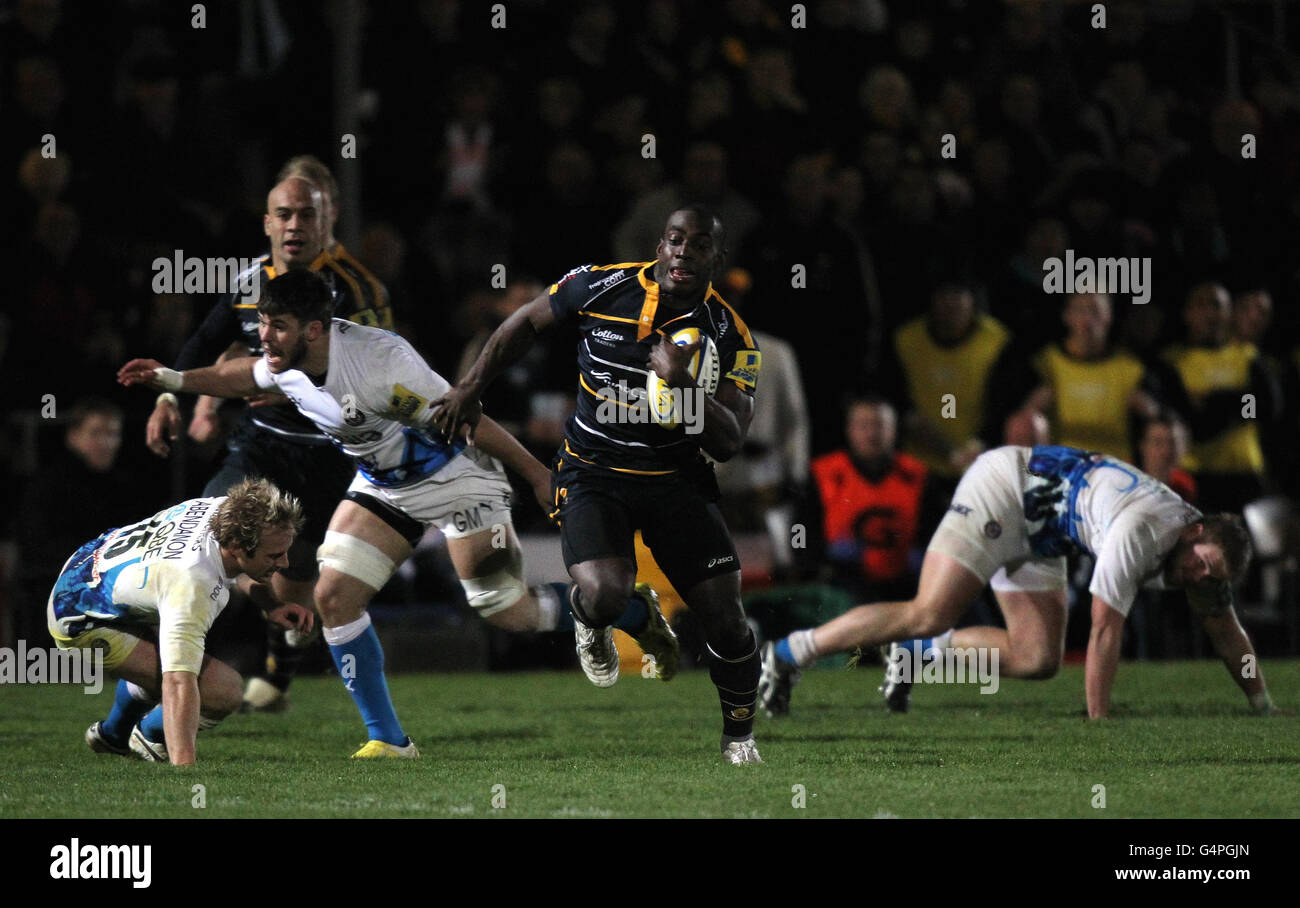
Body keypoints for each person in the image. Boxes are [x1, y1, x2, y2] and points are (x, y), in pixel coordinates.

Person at [119, 269, 677, 758]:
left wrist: (535, 474)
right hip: (385, 486)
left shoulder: (381, 365)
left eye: (277, 325)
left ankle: (628, 613)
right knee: (333, 597)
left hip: (458, 475)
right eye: (263, 323)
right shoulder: (283, 359)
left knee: (506, 609)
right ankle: (389, 740)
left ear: (314, 330)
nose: (265, 336)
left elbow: (463, 417)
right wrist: (174, 381)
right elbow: (245, 374)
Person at [431, 205, 767, 764]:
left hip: (676, 480)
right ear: (661, 246)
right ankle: (592, 620)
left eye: (700, 245)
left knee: (727, 620)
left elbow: (729, 440)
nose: (685, 252)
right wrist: (470, 387)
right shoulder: (598, 285)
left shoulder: (731, 335)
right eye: (676, 240)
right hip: (593, 472)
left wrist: (682, 386)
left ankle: (739, 737)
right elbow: (522, 325)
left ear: (717, 258)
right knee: (606, 593)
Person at [759, 444, 1276, 719]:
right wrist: (1100, 720)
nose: (1200, 576)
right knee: (927, 611)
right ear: (1196, 530)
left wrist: (1261, 703)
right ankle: (788, 653)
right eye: (1203, 564)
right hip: (1005, 491)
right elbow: (1102, 629)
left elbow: (1225, 628)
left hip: (1045, 529)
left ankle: (921, 655)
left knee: (1038, 659)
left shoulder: (1195, 546)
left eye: (1212, 574)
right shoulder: (1144, 531)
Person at [146, 171, 389, 714]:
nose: (295, 225)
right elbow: (205, 342)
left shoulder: (360, 290)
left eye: (307, 214)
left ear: (329, 221)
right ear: (267, 222)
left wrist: (292, 387)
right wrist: (170, 399)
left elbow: (382, 375)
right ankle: (162, 672)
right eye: (284, 214)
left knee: (298, 575)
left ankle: (278, 673)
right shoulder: (249, 280)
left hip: (332, 453)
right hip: (262, 446)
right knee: (210, 524)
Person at [47, 478, 312, 765]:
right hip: (78, 615)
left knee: (162, 662)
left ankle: (113, 735)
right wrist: (186, 771)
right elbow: (178, 682)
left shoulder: (226, 511)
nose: (285, 563)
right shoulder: (191, 583)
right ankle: (148, 736)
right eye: (274, 555)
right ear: (237, 546)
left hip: (88, 564)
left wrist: (272, 605)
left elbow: (236, 567)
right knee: (223, 691)